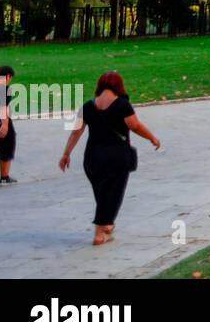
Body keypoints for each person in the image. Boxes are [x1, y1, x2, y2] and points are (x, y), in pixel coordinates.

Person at [58, 71, 160, 246]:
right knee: (112, 194)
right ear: (119, 86)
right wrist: (152, 137)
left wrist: (66, 154)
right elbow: (134, 126)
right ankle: (99, 233)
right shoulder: (122, 105)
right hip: (116, 157)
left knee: (103, 193)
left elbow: (76, 132)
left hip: (92, 158)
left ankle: (107, 225)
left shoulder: (87, 106)